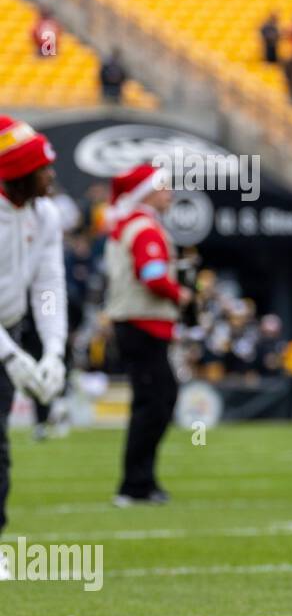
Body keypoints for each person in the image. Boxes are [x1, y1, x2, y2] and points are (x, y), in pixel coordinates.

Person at [0, 117, 66, 579]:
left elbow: (48, 286)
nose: (51, 176)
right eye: (43, 168)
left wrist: (54, 351)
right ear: (19, 172)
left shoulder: (45, 215)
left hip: (10, 330)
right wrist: (8, 356)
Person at [104, 163, 190, 505]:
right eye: (163, 187)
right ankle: (136, 483)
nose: (169, 193)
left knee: (153, 400)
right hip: (143, 324)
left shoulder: (127, 225)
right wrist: (180, 294)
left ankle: (142, 481)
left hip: (135, 323)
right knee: (155, 402)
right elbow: (152, 276)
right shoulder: (145, 228)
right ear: (147, 193)